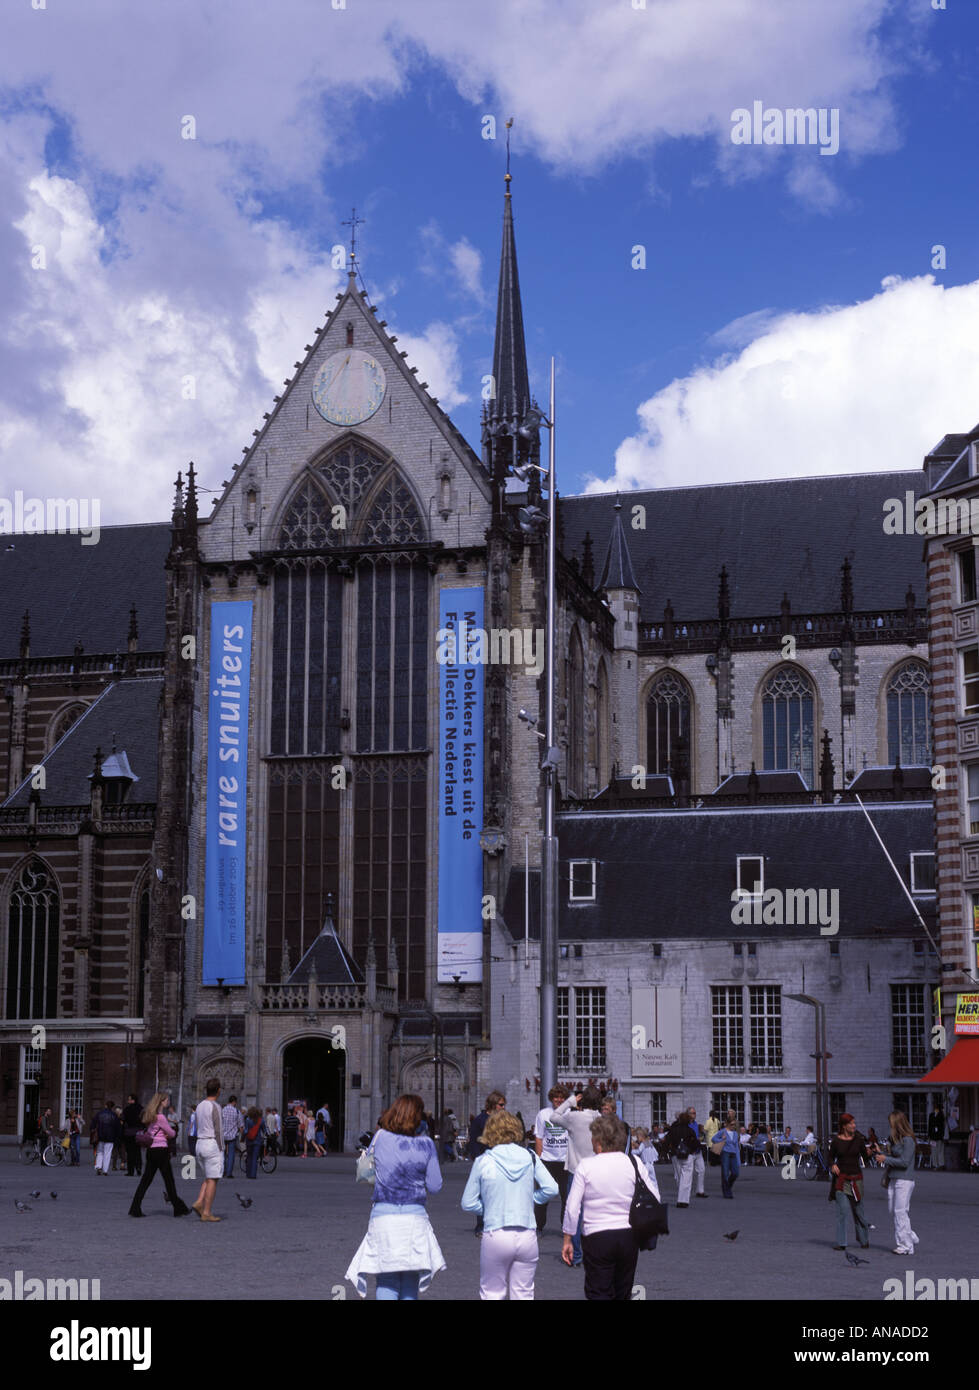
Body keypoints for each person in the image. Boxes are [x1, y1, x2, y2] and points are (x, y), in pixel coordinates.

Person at [346, 1093, 445, 1300]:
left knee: (387, 1279)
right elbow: (435, 1186)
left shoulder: (381, 1137)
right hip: (414, 1218)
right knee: (410, 1279)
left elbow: (367, 1168)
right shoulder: (426, 1144)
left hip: (384, 1215)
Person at [562, 1113, 661, 1301]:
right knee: (623, 1292)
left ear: (599, 1140)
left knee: (598, 1291)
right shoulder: (634, 1163)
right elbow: (654, 1197)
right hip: (628, 1235)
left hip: (596, 1235)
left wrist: (568, 1239)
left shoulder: (586, 1166)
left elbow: (572, 1207)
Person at [461, 1109, 558, 1299]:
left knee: (492, 1292)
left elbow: (468, 1202)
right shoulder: (530, 1157)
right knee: (523, 1293)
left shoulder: (484, 1161)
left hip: (496, 1232)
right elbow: (551, 1188)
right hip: (527, 1233)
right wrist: (531, 1199)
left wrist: (488, 1208)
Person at [550, 1085, 603, 1266]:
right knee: (595, 1212)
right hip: (597, 1170)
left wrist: (570, 1101)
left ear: (582, 1099)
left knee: (574, 1212)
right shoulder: (601, 1119)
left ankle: (577, 1254)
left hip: (576, 1169)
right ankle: (595, 1252)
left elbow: (554, 1116)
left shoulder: (574, 1117)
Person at [128, 1092, 190, 1218]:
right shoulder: (161, 1117)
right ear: (161, 1102)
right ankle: (178, 1208)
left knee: (145, 1181)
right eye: (166, 1100)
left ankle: (135, 1207)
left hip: (151, 1150)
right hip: (161, 1150)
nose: (168, 1102)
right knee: (169, 1181)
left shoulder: (151, 1115)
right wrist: (171, 1131)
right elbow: (172, 1134)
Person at [876, 1111, 919, 1255]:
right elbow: (895, 1156)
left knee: (900, 1211)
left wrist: (885, 1159)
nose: (889, 1126)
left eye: (891, 1123)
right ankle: (909, 1235)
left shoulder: (908, 1140)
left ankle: (905, 1245)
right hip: (894, 1178)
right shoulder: (896, 1139)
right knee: (894, 1210)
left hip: (904, 1179)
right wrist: (882, 1153)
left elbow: (904, 1162)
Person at [829, 1113, 872, 1252]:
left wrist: (870, 1152)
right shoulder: (836, 1141)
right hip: (841, 1179)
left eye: (854, 1123)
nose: (854, 1125)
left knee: (859, 1211)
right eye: (851, 1123)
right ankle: (842, 1242)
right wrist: (832, 1165)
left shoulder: (858, 1140)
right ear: (843, 1126)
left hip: (856, 1179)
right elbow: (829, 1157)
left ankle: (864, 1239)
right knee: (842, 1212)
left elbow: (865, 1158)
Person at [468, 1091, 506, 1235]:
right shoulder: (480, 1120)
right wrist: (478, 1158)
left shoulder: (503, 1120)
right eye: (501, 1105)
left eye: (504, 1105)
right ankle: (481, 1225)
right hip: (485, 1159)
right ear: (493, 1105)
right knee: (483, 1194)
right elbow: (474, 1141)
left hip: (501, 1160)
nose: (503, 1107)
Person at [533, 1085, 570, 1232]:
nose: (559, 1100)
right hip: (547, 1161)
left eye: (562, 1097)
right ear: (551, 1098)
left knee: (567, 1198)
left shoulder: (570, 1114)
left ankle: (565, 1227)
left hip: (566, 1162)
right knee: (543, 1196)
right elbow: (539, 1138)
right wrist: (539, 1160)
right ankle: (539, 1226)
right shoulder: (543, 1114)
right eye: (556, 1097)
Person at [192, 1078, 224, 1222]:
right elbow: (218, 1130)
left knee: (208, 1177)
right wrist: (222, 1148)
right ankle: (206, 1211)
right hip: (212, 1143)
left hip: (200, 1142)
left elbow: (197, 1124)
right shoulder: (215, 1106)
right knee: (213, 1179)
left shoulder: (199, 1106)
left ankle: (199, 1201)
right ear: (218, 1090)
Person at [662, 1110, 696, 1207]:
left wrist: (665, 1152)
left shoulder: (673, 1130)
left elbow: (666, 1142)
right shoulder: (690, 1131)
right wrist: (692, 1150)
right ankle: (683, 1200)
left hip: (675, 1155)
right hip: (687, 1155)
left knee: (679, 1177)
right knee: (687, 1178)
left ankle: (680, 1197)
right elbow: (695, 1143)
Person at [713, 1117, 741, 1198]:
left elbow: (736, 1147)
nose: (733, 1126)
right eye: (732, 1124)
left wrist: (738, 1160)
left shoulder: (735, 1133)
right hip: (725, 1153)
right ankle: (727, 1192)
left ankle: (727, 1186)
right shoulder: (723, 1131)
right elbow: (713, 1139)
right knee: (725, 1173)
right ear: (728, 1124)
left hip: (733, 1154)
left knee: (735, 1173)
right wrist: (722, 1139)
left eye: (734, 1125)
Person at [93, 1100, 121, 1174]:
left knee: (100, 1152)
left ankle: (98, 1166)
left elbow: (93, 1123)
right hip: (110, 1137)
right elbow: (118, 1127)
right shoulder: (114, 1115)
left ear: (105, 1105)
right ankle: (105, 1170)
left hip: (100, 1135)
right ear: (112, 1107)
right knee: (107, 1153)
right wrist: (117, 1137)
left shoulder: (99, 1113)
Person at [686, 1107, 708, 1197]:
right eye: (692, 1113)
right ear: (688, 1114)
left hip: (698, 1150)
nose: (694, 1115)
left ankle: (700, 1191)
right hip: (690, 1151)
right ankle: (687, 1190)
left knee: (701, 1170)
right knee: (689, 1173)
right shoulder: (686, 1125)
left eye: (695, 1113)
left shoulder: (696, 1124)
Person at [221, 1094, 243, 1178]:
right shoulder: (237, 1112)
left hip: (223, 1135)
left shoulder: (222, 1110)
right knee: (231, 1155)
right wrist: (242, 1137)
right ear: (234, 1102)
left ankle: (223, 1171)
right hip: (232, 1136)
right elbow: (241, 1126)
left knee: (222, 1155)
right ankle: (229, 1173)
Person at [121, 1094, 143, 1177]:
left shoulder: (127, 1109)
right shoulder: (141, 1109)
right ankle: (138, 1167)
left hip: (129, 1133)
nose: (128, 1101)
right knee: (137, 1151)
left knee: (130, 1152)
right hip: (138, 1133)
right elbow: (144, 1120)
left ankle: (131, 1171)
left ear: (133, 1100)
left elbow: (122, 1119)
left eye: (129, 1099)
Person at [243, 1106, 266, 1180]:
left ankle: (248, 1173)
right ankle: (253, 1174)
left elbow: (246, 1130)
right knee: (254, 1158)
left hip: (249, 1140)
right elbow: (264, 1130)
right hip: (257, 1141)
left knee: (249, 1157)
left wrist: (244, 1135)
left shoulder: (248, 1119)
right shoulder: (261, 1120)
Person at [927, 1103, 947, 1169]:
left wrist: (942, 1136)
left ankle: (941, 1164)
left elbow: (943, 1127)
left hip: (939, 1136)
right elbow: (929, 1126)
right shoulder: (931, 1115)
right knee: (934, 1150)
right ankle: (935, 1164)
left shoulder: (941, 1116)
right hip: (933, 1136)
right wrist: (929, 1135)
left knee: (940, 1150)